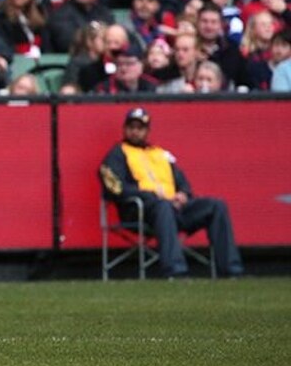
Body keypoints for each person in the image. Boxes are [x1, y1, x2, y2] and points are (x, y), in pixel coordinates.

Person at [99, 107, 244, 278]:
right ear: (124, 129)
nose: (135, 132)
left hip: (173, 208)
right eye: (131, 127)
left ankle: (232, 270)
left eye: (140, 128)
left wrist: (183, 194)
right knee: (163, 206)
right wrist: (151, 195)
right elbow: (116, 187)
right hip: (141, 211)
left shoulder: (161, 154)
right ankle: (176, 270)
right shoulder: (117, 154)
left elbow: (181, 181)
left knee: (216, 206)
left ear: (147, 131)